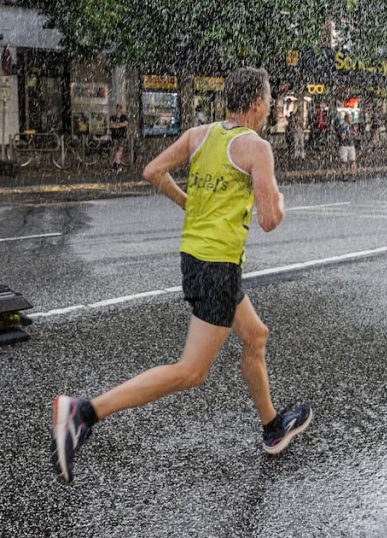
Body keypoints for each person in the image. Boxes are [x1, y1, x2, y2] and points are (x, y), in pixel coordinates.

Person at [50, 67, 312, 485]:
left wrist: (190, 202)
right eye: (268, 102)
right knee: (191, 371)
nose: (268, 110)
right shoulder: (256, 148)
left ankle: (272, 427)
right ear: (258, 103)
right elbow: (269, 220)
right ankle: (83, 413)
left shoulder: (199, 135)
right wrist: (278, 197)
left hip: (197, 259)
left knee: (255, 336)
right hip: (218, 267)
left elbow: (152, 170)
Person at [109, 104, 129, 171]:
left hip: (122, 135)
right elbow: (111, 125)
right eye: (117, 109)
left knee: (120, 149)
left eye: (120, 109)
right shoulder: (112, 117)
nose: (118, 110)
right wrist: (120, 125)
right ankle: (116, 164)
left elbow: (125, 123)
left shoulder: (124, 117)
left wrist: (117, 125)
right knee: (116, 150)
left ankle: (116, 164)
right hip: (115, 136)